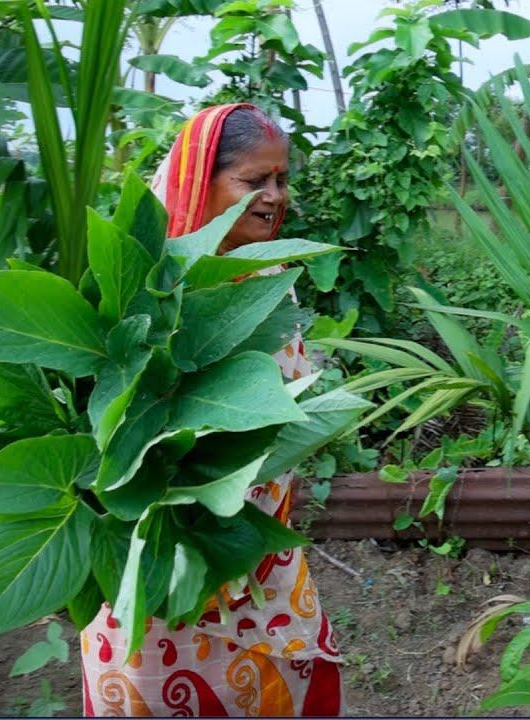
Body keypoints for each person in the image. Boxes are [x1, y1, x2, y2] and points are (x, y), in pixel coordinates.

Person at [78, 104, 343, 717]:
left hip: (253, 543)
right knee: (152, 680)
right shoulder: (150, 281)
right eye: (254, 180)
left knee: (275, 682)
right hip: (160, 545)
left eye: (281, 179)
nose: (275, 196)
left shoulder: (267, 273)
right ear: (201, 180)